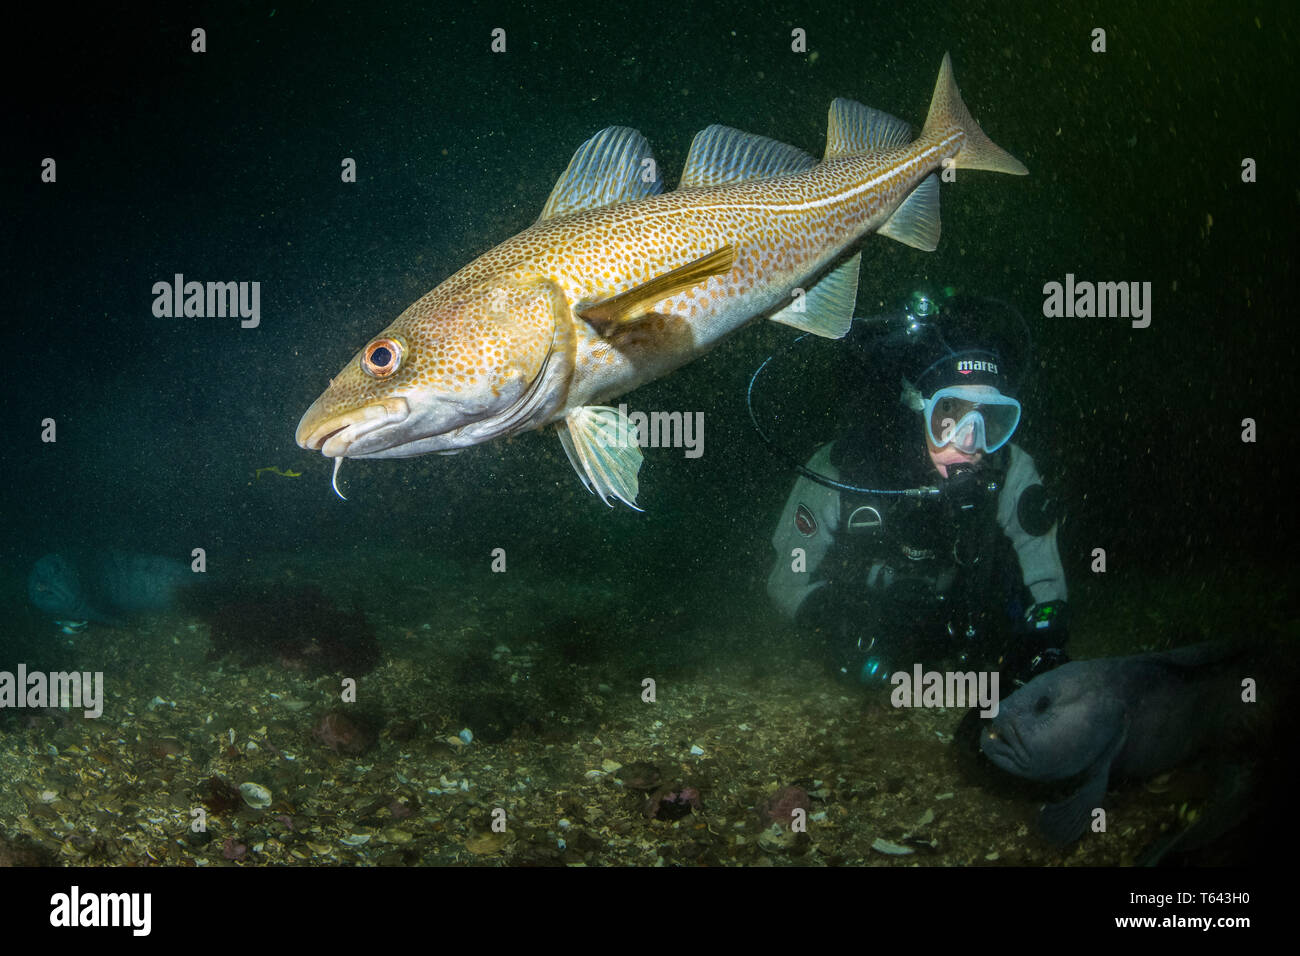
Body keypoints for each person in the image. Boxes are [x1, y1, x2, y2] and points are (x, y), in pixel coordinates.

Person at [764, 291, 1068, 686]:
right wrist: (841, 620)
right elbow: (785, 580)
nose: (970, 441)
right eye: (951, 414)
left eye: (990, 418)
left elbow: (1047, 582)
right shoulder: (842, 469)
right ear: (916, 405)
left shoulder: (1011, 470)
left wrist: (1043, 643)